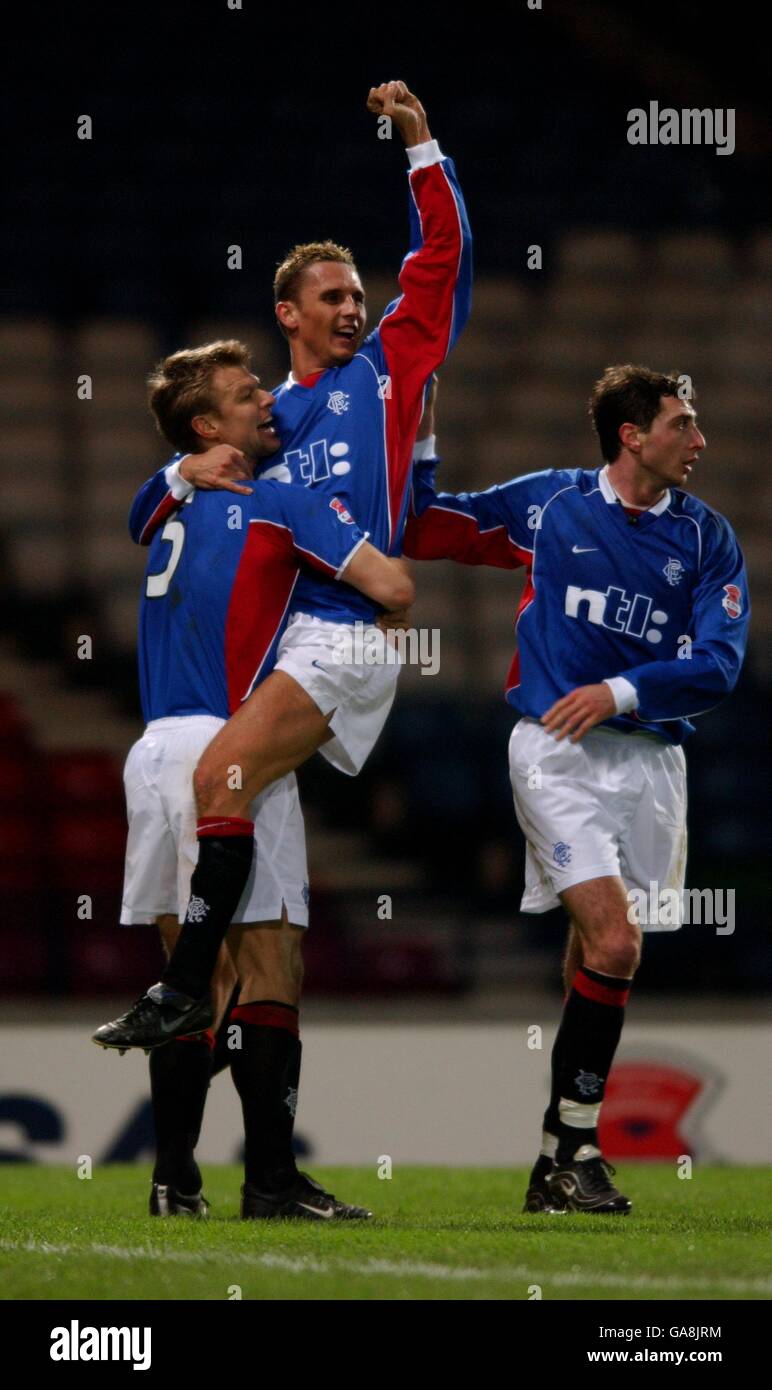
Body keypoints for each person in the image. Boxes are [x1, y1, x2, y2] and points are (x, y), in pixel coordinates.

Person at [98, 78, 472, 1046]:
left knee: (218, 774)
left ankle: (182, 988)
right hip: (291, 655)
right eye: (333, 297)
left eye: (358, 295)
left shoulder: (383, 375)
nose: (353, 308)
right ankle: (245, 1134)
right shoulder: (273, 426)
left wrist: (419, 148)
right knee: (254, 873)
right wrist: (182, 468)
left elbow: (439, 263)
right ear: (288, 313)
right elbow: (152, 514)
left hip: (345, 638)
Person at [404, 366, 749, 1213]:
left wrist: (622, 691)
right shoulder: (550, 506)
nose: (698, 441)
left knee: (604, 950)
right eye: (682, 424)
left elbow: (722, 664)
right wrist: (420, 436)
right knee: (617, 943)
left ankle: (557, 1158)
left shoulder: (708, 539)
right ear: (632, 435)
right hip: (557, 749)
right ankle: (580, 1144)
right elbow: (422, 528)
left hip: (651, 761)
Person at [94, 339, 413, 1220]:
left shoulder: (169, 502)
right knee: (269, 967)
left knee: (189, 977)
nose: (267, 402)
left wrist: (178, 473)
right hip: (233, 744)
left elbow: (137, 510)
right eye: (245, 395)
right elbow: (392, 583)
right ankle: (272, 1182)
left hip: (152, 752)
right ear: (207, 425)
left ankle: (173, 1182)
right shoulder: (280, 501)